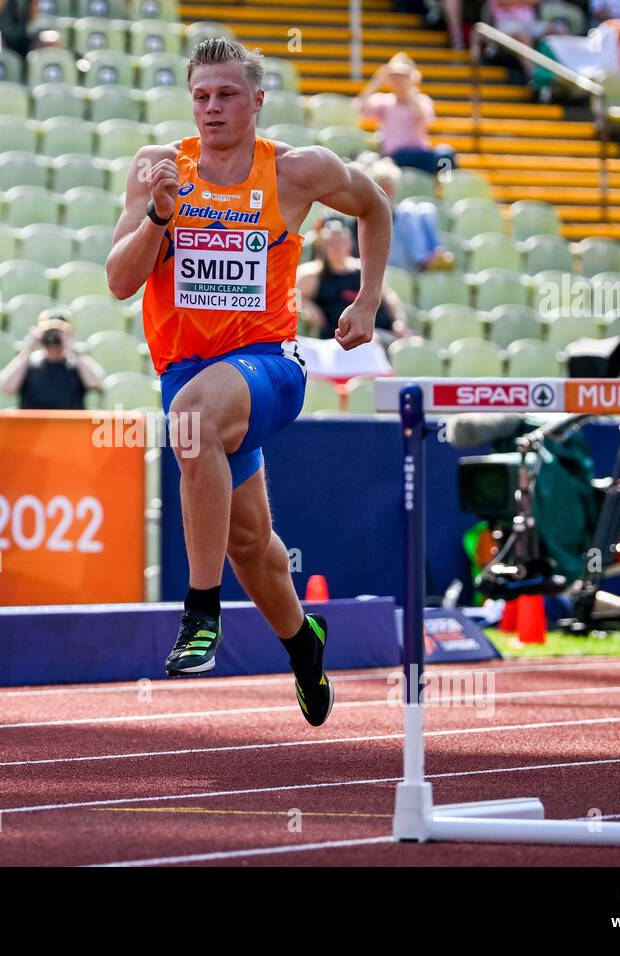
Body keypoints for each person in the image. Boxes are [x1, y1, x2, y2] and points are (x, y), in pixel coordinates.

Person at [106, 37, 392, 726]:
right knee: (250, 543)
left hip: (268, 367)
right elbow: (119, 281)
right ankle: (303, 643)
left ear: (257, 101)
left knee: (196, 422)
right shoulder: (156, 169)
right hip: (186, 374)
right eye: (201, 95)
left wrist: (367, 298)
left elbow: (376, 206)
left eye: (226, 94)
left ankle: (201, 612)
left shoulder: (296, 172)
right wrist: (158, 217)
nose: (212, 107)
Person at [296, 218, 410, 346]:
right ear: (321, 245)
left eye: (340, 241)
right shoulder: (311, 274)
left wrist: (399, 323)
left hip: (378, 335)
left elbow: (389, 298)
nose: (336, 246)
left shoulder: (364, 270)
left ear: (350, 242)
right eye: (330, 242)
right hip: (337, 342)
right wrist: (309, 306)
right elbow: (292, 297)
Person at [353, 55, 458, 175]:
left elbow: (425, 118)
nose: (399, 80)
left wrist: (409, 90)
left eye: (403, 77)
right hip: (396, 157)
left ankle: (444, 184)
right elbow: (357, 108)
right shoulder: (385, 102)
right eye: (395, 77)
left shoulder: (421, 100)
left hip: (420, 154)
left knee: (446, 156)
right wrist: (377, 81)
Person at [366, 157, 456, 272]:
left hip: (406, 265)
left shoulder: (400, 213)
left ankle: (434, 254)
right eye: (383, 185)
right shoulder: (368, 214)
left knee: (426, 210)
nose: (387, 191)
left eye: (390, 186)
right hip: (387, 267)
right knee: (407, 210)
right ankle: (423, 260)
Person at [0, 311, 105, 409]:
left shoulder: (76, 364)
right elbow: (7, 388)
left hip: (68, 427)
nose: (53, 337)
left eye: (58, 332)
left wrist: (73, 349)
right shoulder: (28, 363)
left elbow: (96, 383)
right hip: (33, 427)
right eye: (49, 332)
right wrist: (28, 350)